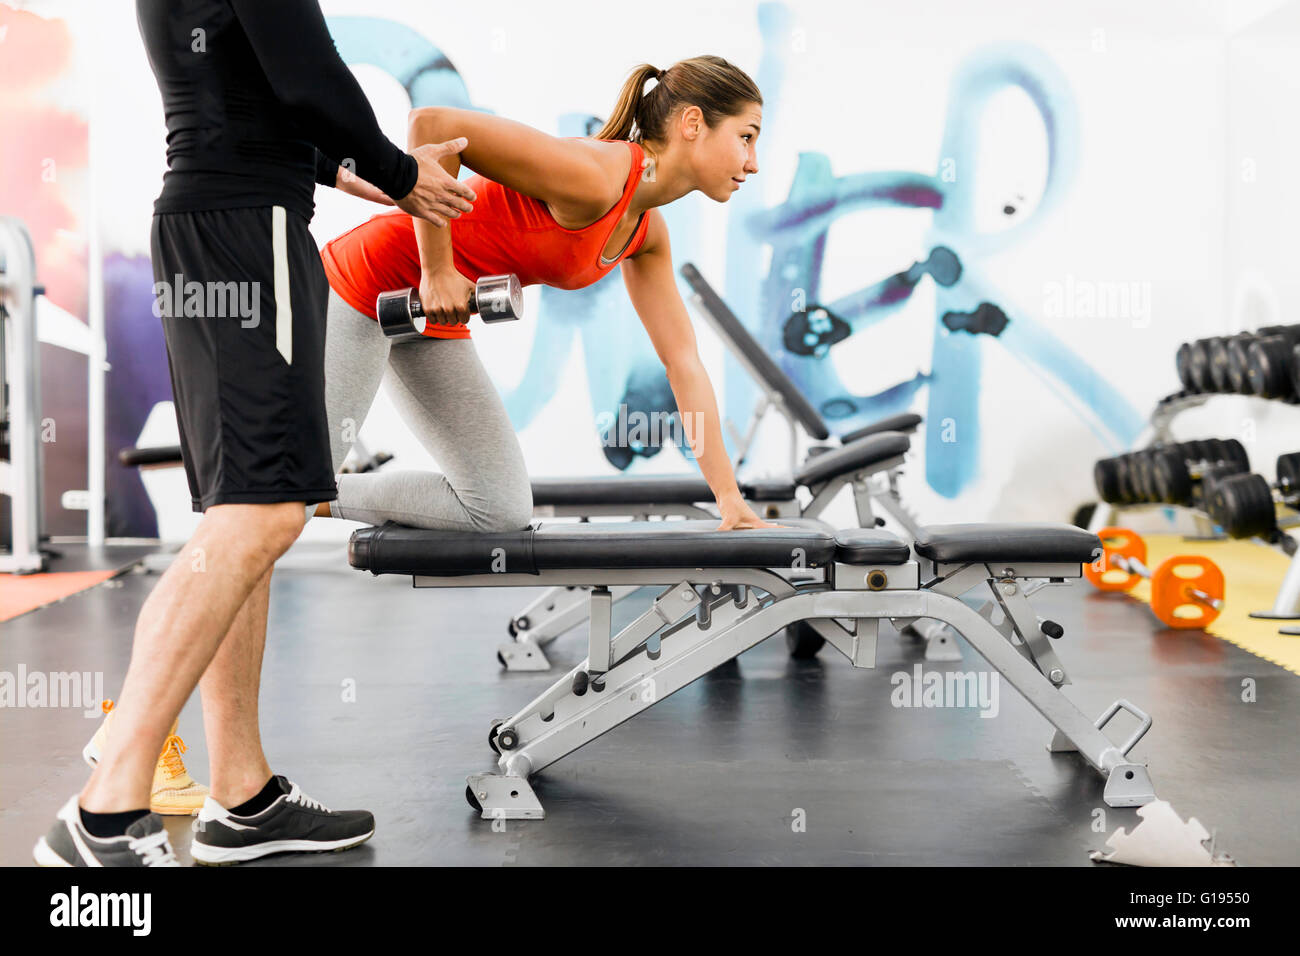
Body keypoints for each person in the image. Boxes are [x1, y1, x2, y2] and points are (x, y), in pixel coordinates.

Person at [34, 0, 476, 868]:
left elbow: (252, 93)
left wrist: (341, 170)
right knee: (266, 512)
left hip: (217, 224)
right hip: (247, 233)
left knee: (242, 512)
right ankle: (103, 810)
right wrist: (398, 175)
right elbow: (311, 81)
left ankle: (241, 795)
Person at [317, 57, 771, 533]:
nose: (753, 162)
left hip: (429, 318)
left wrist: (730, 502)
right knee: (290, 494)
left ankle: (322, 496)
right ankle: (304, 493)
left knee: (498, 508)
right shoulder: (598, 176)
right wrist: (437, 269)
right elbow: (434, 124)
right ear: (693, 123)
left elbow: (684, 365)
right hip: (361, 284)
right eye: (746, 137)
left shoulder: (646, 232)